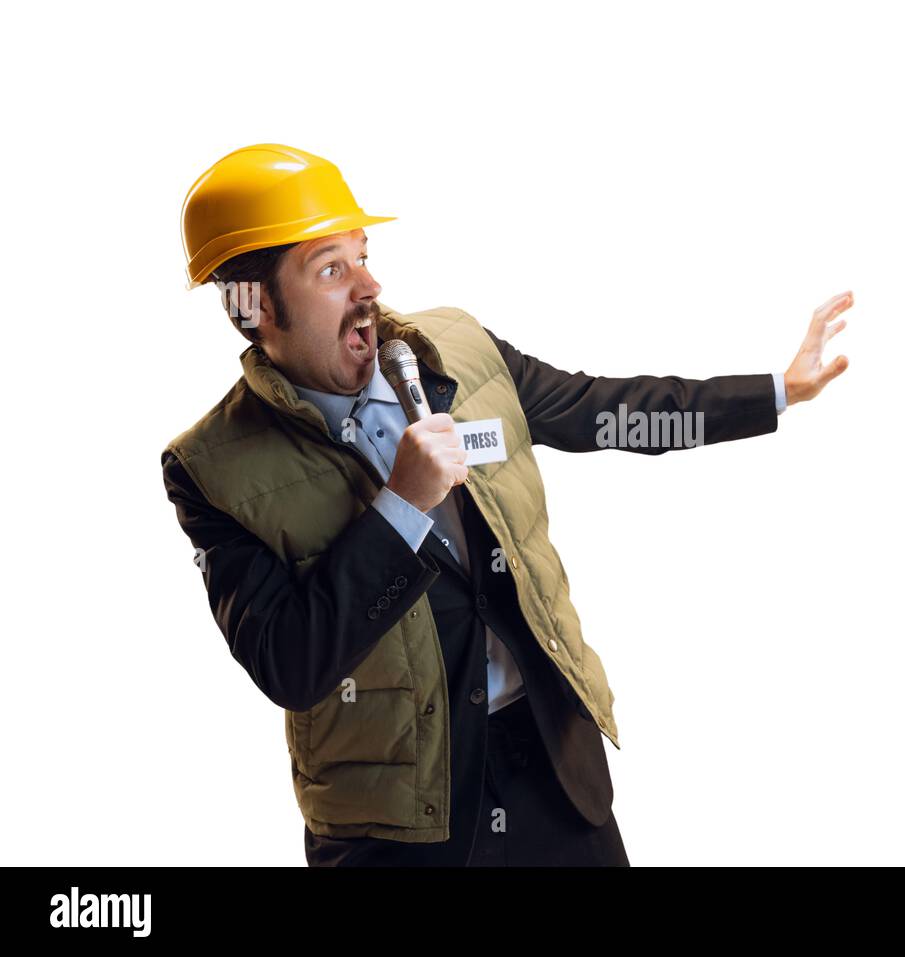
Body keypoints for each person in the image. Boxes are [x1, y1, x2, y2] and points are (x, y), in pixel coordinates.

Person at [163, 143, 852, 866]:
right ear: (254, 304)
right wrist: (401, 505)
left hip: (550, 769)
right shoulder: (211, 468)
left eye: (362, 253)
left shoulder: (456, 351)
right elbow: (291, 661)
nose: (369, 284)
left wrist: (776, 392)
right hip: (395, 826)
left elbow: (605, 411)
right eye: (330, 268)